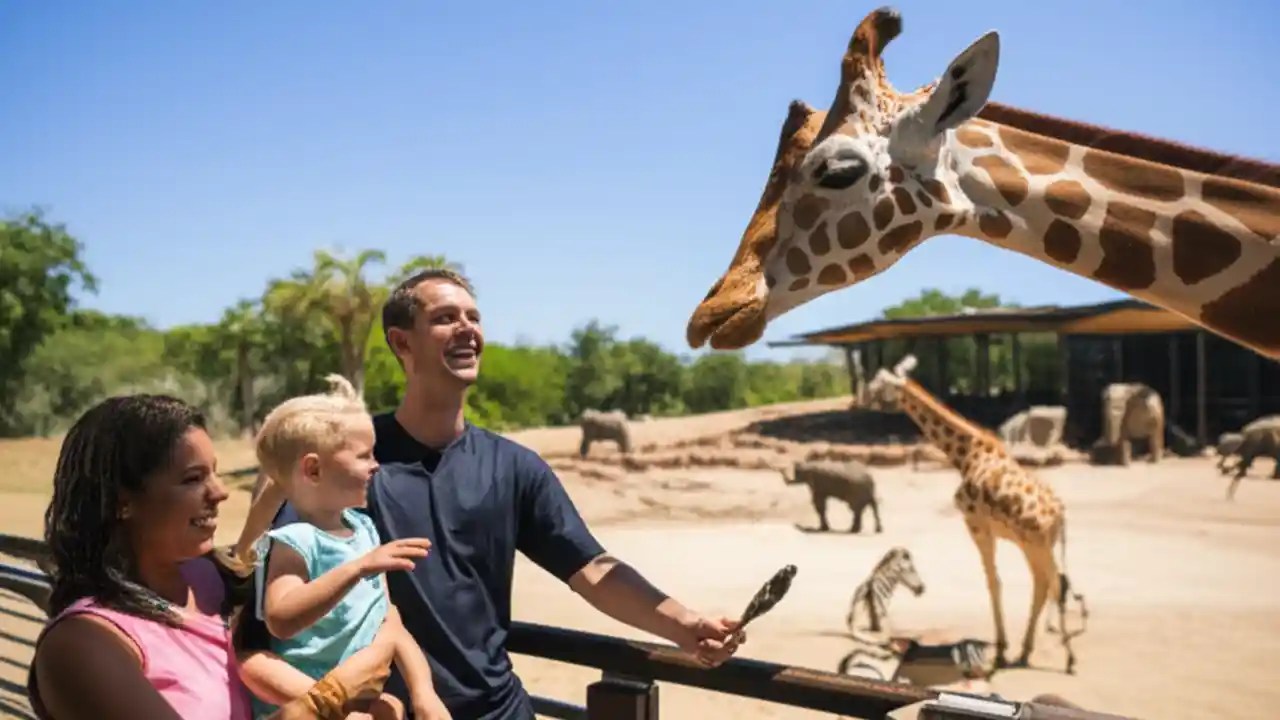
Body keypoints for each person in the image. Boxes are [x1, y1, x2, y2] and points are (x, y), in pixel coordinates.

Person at [238, 268, 746, 719]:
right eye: (445, 317)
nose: (467, 329)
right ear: (403, 343)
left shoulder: (515, 467)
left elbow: (591, 570)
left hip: (499, 709)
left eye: (474, 316)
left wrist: (685, 625)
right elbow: (265, 616)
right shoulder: (349, 465)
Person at [26, 392, 400, 720]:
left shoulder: (213, 580)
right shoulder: (83, 644)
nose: (220, 492)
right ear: (123, 502)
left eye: (215, 473)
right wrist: (329, 700)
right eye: (192, 478)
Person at [233, 375, 451, 720]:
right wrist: (358, 568)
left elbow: (387, 620)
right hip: (306, 706)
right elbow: (281, 620)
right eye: (364, 456)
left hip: (355, 701)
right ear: (314, 469)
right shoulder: (296, 541)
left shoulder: (362, 528)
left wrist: (423, 691)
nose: (375, 465)